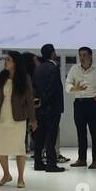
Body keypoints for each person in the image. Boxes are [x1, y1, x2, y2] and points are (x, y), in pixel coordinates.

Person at [0, 50, 38, 188]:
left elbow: (29, 100)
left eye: (8, 59)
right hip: (3, 116)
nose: (5, 62)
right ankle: (6, 174)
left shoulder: (24, 78)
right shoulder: (2, 76)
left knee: (19, 149)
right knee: (0, 148)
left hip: (19, 117)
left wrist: (33, 120)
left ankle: (21, 178)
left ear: (15, 62)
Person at [66, 46, 96, 169]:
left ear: (90, 56)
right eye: (80, 55)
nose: (82, 57)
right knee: (81, 133)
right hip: (79, 103)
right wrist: (74, 89)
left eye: (84, 55)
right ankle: (82, 159)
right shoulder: (74, 69)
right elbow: (67, 84)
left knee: (95, 133)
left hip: (92, 103)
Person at [31, 44, 65, 173]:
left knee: (40, 135)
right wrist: (46, 101)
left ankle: (38, 162)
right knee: (51, 136)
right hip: (52, 108)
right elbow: (52, 89)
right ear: (52, 53)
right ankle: (51, 164)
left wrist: (39, 102)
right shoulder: (54, 68)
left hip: (40, 108)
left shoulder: (38, 69)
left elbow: (34, 88)